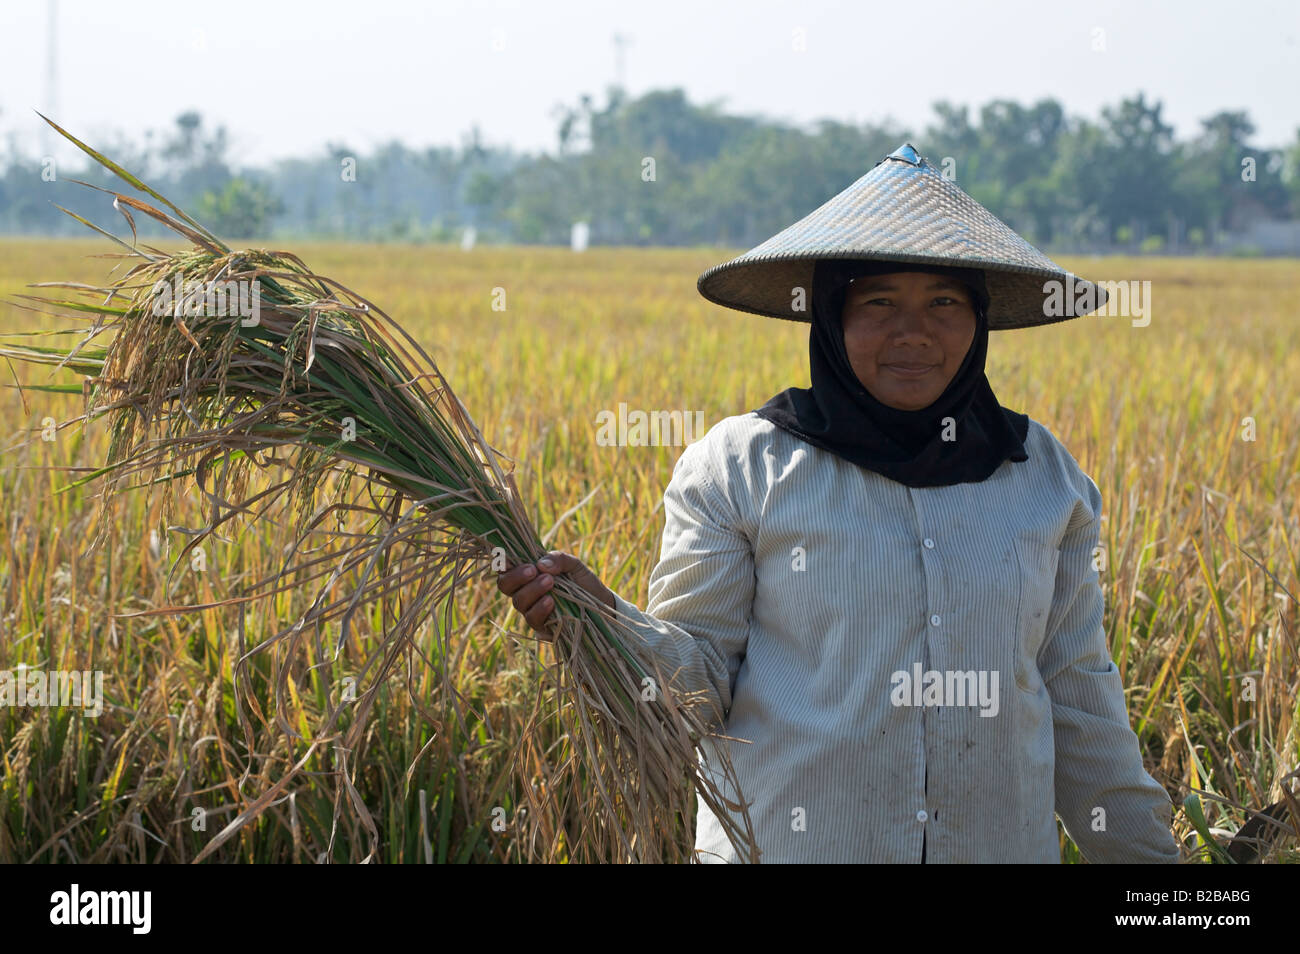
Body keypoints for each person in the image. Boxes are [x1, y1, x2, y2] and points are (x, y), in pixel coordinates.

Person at [497, 144, 1180, 863]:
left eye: (944, 303)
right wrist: (603, 624)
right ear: (830, 317)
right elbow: (697, 687)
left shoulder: (1041, 477)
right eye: (878, 303)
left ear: (979, 321)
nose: (913, 332)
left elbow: (1079, 705)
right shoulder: (741, 469)